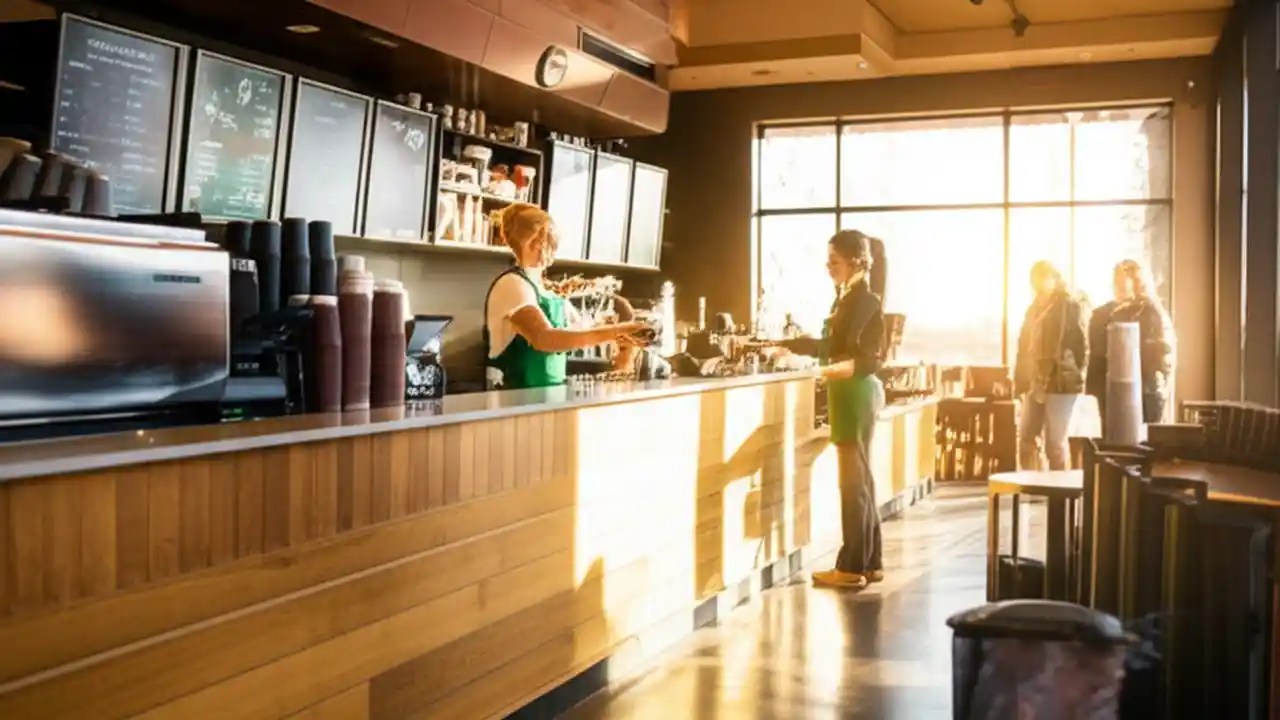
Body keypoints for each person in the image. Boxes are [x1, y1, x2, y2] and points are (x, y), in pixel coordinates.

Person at [782, 230, 887, 590]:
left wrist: (822, 369)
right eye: (828, 260)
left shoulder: (863, 300)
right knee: (861, 481)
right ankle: (871, 562)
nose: (829, 267)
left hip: (854, 394)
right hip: (848, 395)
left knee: (852, 484)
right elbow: (831, 344)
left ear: (856, 261)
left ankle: (851, 566)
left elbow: (867, 358)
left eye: (835, 261)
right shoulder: (846, 298)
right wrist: (787, 345)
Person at [484, 203, 645, 389]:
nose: (552, 249)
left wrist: (623, 336)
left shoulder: (544, 289)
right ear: (534, 243)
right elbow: (544, 338)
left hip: (548, 396)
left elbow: (580, 331)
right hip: (514, 397)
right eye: (548, 242)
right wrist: (618, 330)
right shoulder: (512, 284)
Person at [1014, 260, 1089, 471]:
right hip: (1035, 381)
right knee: (1027, 438)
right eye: (1034, 279)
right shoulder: (1033, 310)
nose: (1037, 284)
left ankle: (1059, 493)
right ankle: (1033, 485)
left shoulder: (1069, 306)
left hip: (1060, 382)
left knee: (1055, 444)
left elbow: (1080, 345)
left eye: (1042, 278)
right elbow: (1024, 347)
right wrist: (1020, 382)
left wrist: (1073, 371)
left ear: (1054, 279)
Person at [1086, 259, 1175, 426]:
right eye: (1118, 281)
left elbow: (1161, 357)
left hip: (1144, 392)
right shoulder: (1103, 315)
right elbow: (1096, 360)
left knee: (1142, 441)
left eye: (1126, 279)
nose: (1121, 286)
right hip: (1114, 392)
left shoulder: (1151, 312)